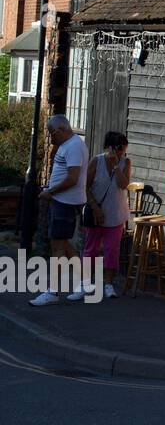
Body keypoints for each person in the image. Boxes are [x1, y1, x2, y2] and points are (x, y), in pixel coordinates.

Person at [29, 115, 90, 307]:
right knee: (63, 245)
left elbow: (73, 178)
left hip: (65, 202)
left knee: (57, 247)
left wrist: (51, 191)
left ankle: (53, 291)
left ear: (61, 130)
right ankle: (84, 283)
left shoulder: (73, 147)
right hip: (60, 200)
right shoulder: (68, 145)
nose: (50, 137)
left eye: (51, 133)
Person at [69, 131, 132, 301]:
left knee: (112, 250)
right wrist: (95, 207)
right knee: (90, 250)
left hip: (116, 213)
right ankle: (84, 284)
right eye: (118, 148)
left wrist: (115, 166)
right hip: (96, 213)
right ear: (109, 147)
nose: (121, 152)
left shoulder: (125, 162)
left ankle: (109, 284)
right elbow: (85, 187)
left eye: (123, 148)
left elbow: (123, 184)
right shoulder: (96, 161)